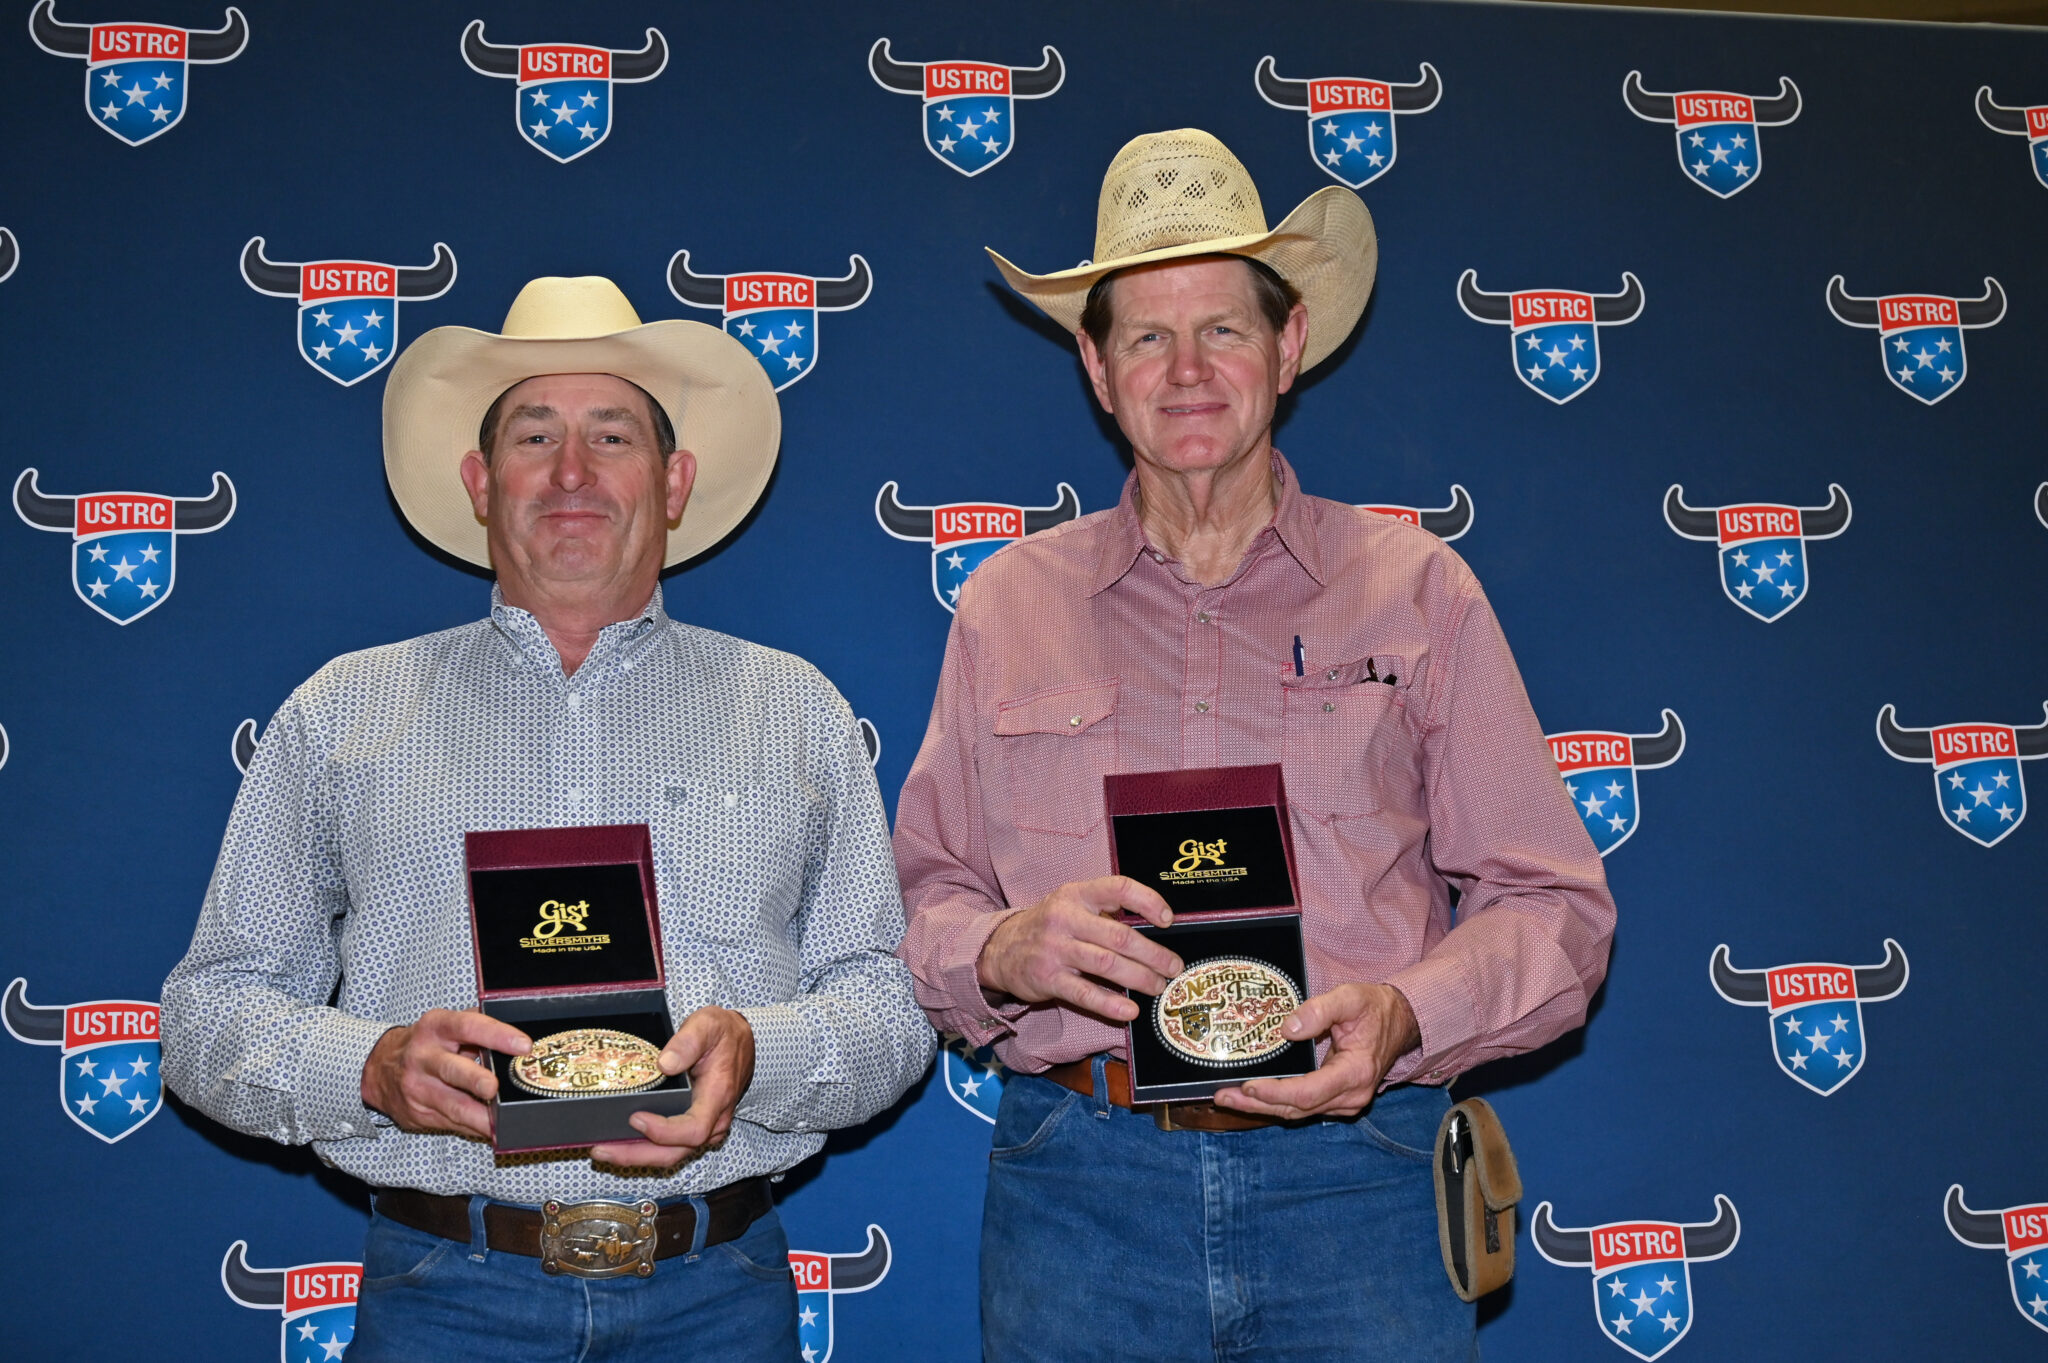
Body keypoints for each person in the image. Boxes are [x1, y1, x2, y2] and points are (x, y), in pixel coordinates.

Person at [893, 129, 1616, 1361]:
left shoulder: (1418, 589)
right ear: (1095, 364)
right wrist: (1004, 945)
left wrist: (1406, 1011)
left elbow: (1553, 905)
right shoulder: (1004, 605)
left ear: (1285, 348)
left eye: (1222, 328)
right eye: (1146, 335)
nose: (1185, 369)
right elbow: (930, 902)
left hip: (1362, 1181)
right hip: (1078, 1185)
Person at [162, 276, 933, 1363]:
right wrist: (370, 1068)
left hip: (716, 1291)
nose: (572, 473)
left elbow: (892, 1006)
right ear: (480, 481)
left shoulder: (794, 709)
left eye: (611, 435)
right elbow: (206, 1014)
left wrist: (763, 1051)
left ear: (673, 481)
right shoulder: (341, 712)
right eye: (535, 435)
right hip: (444, 1296)